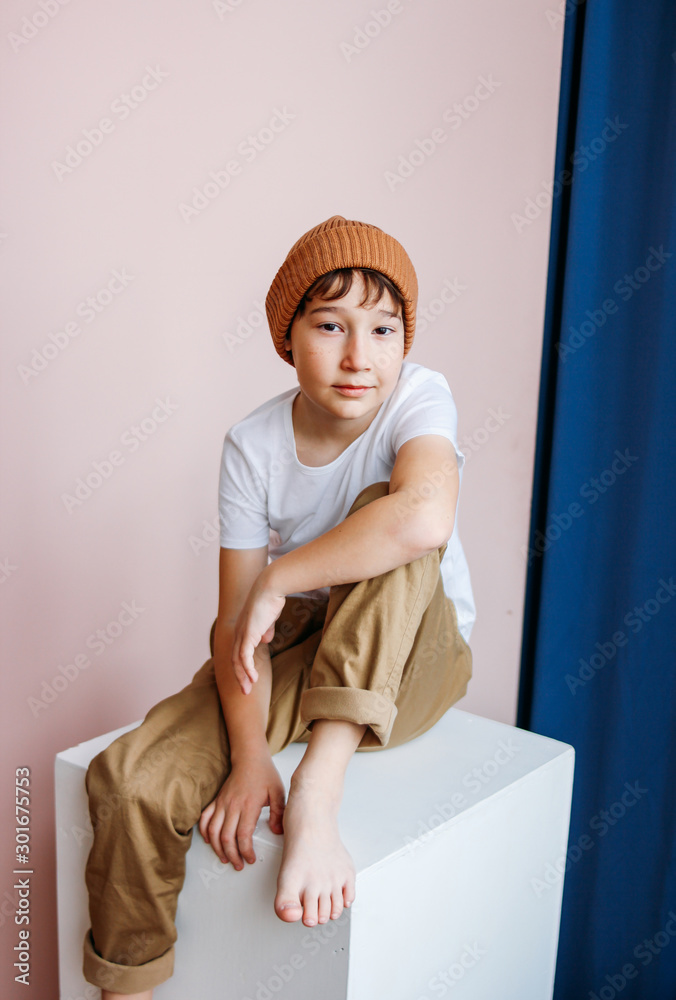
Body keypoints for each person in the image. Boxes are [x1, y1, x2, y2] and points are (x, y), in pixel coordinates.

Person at [82, 214, 476, 998]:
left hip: (417, 656)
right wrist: (250, 755)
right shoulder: (252, 445)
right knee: (128, 779)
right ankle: (126, 985)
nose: (360, 357)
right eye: (330, 325)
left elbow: (424, 517)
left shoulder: (419, 398)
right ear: (286, 337)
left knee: (388, 510)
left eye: (384, 329)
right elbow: (238, 629)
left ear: (406, 342)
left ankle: (316, 800)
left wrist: (279, 575)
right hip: (308, 643)